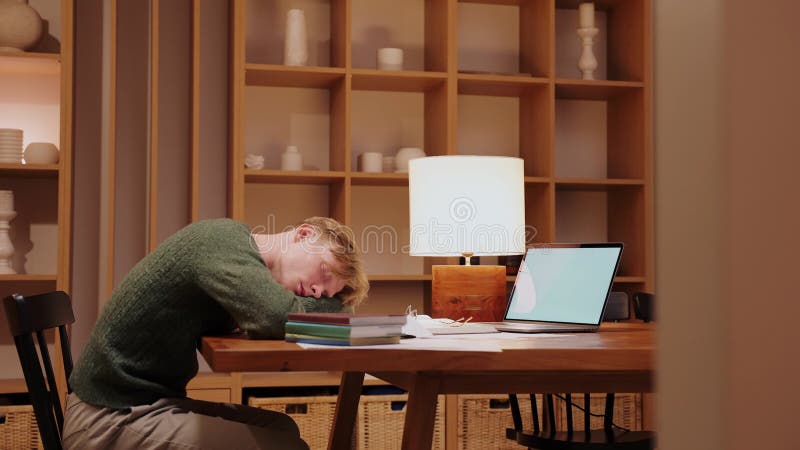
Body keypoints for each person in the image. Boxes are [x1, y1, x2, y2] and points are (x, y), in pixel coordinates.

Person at [62, 217, 369, 450]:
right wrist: (332, 310)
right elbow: (275, 317)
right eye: (324, 272)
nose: (316, 292)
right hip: (106, 417)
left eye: (324, 294)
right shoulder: (225, 243)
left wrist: (335, 305)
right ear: (305, 234)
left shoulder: (243, 268)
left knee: (284, 427)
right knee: (288, 447)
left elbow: (320, 314)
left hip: (146, 403)